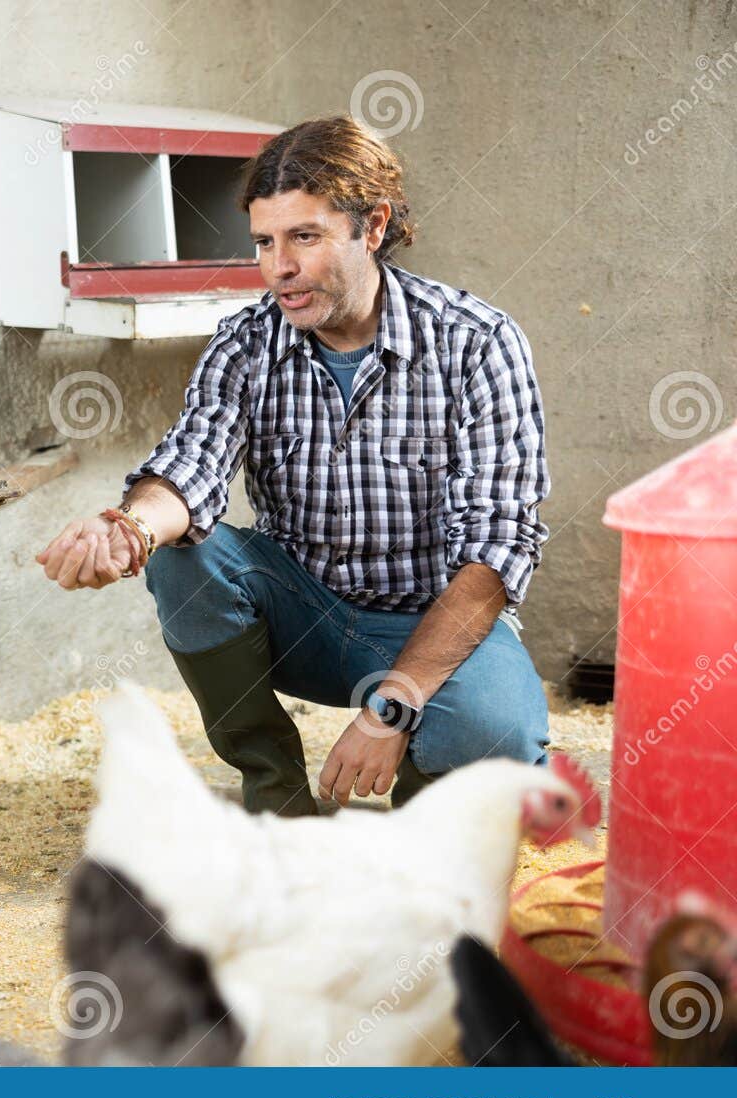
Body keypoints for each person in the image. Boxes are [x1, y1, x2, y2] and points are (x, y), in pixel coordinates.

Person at [36, 115, 550, 817]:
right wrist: (129, 528)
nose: (279, 267)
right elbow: (191, 466)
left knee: (497, 736)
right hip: (303, 615)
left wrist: (390, 710)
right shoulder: (246, 344)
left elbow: (495, 555)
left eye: (305, 237)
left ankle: (421, 821)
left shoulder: (478, 344)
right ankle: (276, 799)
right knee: (185, 558)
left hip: (429, 622)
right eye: (265, 242)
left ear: (371, 226)